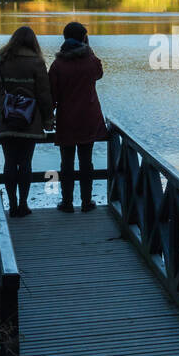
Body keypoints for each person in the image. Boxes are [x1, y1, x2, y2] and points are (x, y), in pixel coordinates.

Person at [0, 25, 54, 218]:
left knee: (9, 162)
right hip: (30, 122)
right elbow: (44, 94)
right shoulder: (37, 63)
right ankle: (23, 205)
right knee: (25, 163)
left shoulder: (2, 60)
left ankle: (13, 205)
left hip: (6, 121)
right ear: (33, 41)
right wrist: (48, 118)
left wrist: (2, 107)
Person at [48, 21, 108, 213]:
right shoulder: (90, 61)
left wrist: (48, 116)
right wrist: (89, 49)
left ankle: (66, 203)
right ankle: (86, 202)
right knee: (86, 161)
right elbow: (99, 73)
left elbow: (52, 95)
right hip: (88, 117)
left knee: (66, 162)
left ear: (65, 38)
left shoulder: (58, 64)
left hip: (67, 119)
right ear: (84, 38)